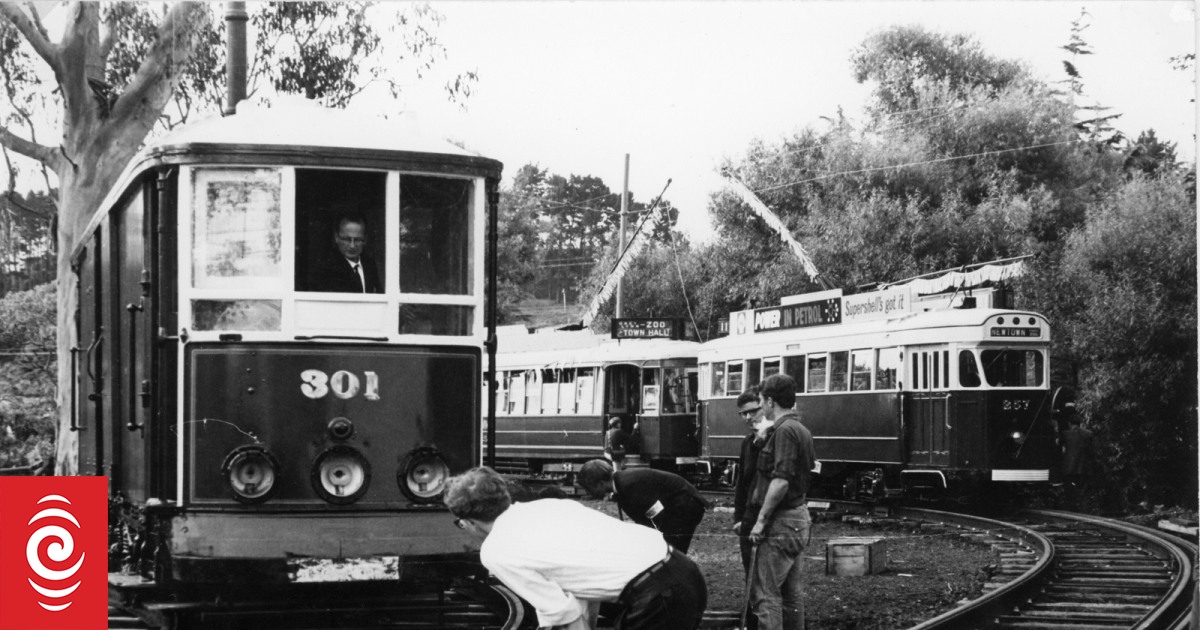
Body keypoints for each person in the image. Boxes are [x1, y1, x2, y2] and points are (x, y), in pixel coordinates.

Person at [444, 467, 707, 630]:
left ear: (469, 521)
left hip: (657, 596)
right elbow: (583, 587)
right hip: (684, 572)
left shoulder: (497, 550)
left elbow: (560, 612)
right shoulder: (551, 507)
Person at [746, 374, 816, 630]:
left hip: (781, 522)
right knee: (792, 595)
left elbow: (781, 480)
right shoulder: (800, 429)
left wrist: (761, 521)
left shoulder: (784, 431)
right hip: (798, 518)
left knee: (766, 596)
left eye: (762, 401)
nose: (761, 407)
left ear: (770, 401)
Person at [577, 459, 709, 554]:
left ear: (600, 484)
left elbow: (656, 510)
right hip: (682, 505)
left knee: (671, 552)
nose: (590, 494)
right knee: (669, 550)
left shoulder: (627, 485)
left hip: (685, 506)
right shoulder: (621, 482)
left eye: (590, 489)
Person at [732, 386, 767, 575]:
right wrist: (738, 518)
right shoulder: (747, 442)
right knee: (750, 572)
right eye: (743, 414)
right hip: (748, 519)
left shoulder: (774, 438)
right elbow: (742, 483)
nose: (748, 417)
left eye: (753, 411)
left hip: (766, 517)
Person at [307, 214, 382, 293]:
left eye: (357, 240)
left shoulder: (370, 265)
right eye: (347, 239)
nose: (352, 246)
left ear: (365, 240)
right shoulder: (325, 269)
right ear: (336, 238)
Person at [1059, 412, 1096, 505]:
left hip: (1069, 468)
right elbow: (1092, 450)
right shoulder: (1089, 434)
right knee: (1083, 491)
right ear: (1080, 423)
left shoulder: (1065, 434)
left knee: (1070, 492)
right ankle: (1083, 508)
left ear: (1069, 423)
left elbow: (1059, 447)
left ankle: (1072, 508)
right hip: (1085, 467)